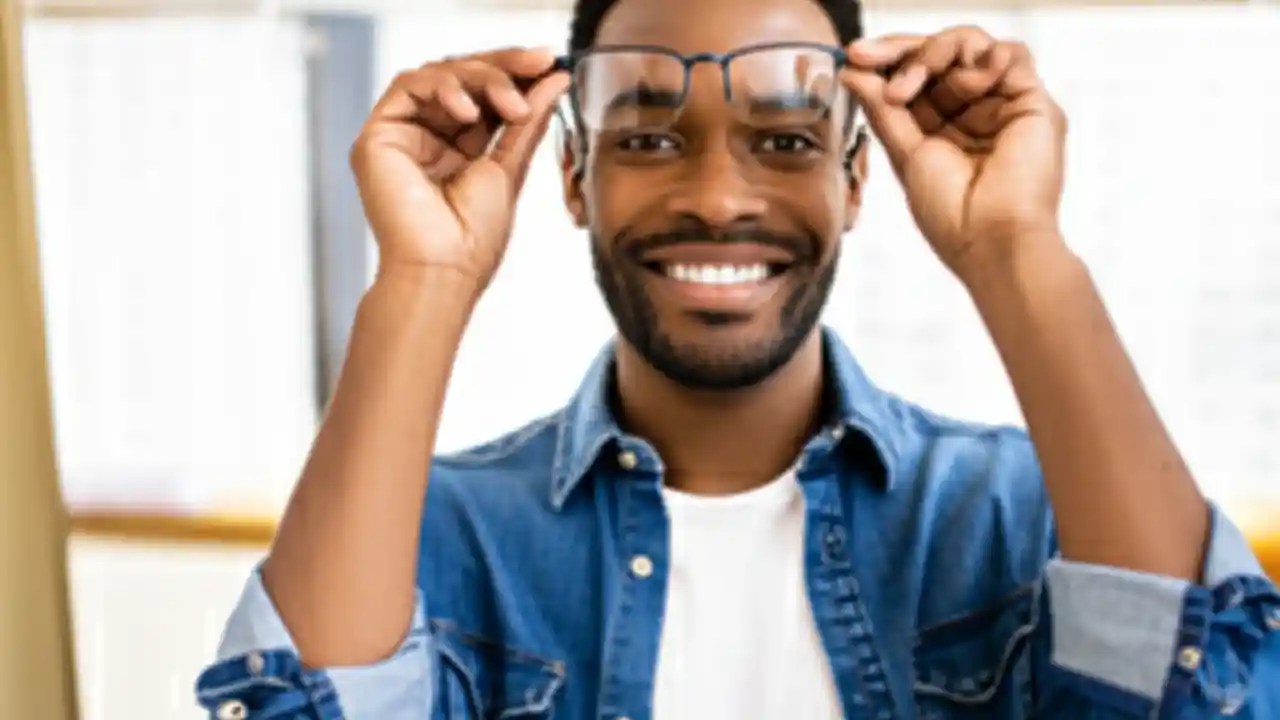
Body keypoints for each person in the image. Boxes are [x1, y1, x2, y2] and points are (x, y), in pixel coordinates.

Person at [195, 0, 1280, 716]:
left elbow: (1215, 695)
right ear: (572, 178)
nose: (716, 198)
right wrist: (421, 280)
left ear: (857, 180)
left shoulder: (1013, 514)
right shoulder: (437, 540)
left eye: (784, 140)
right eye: (648, 139)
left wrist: (1015, 250)